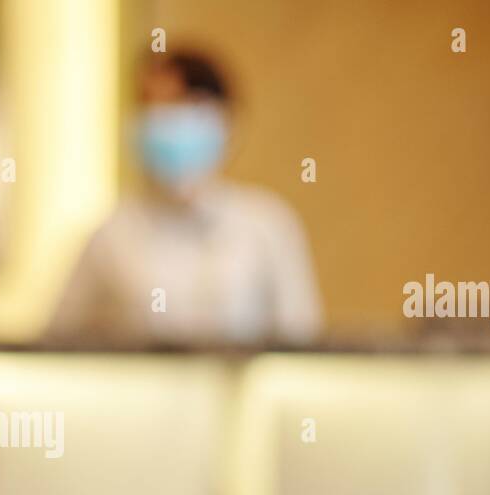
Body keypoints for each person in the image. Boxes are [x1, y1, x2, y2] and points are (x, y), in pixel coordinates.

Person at [48, 51, 322, 344]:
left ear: (226, 119)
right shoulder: (111, 236)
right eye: (151, 106)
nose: (165, 120)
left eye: (181, 104)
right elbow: (56, 343)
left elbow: (302, 341)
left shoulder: (267, 225)